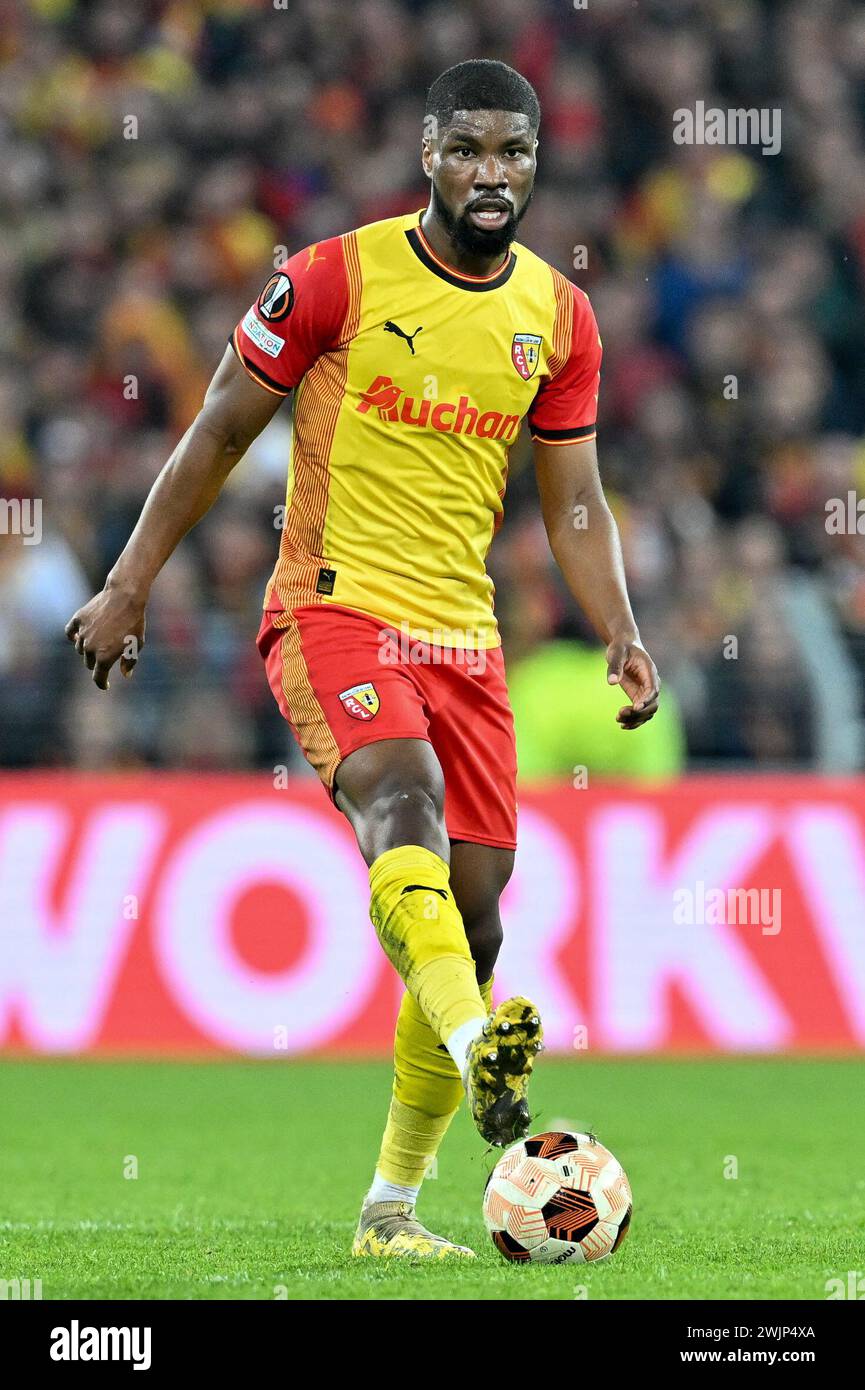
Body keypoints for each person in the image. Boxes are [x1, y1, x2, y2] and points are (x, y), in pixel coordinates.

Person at [65, 59, 660, 1259]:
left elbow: (577, 498)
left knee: (476, 923)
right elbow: (223, 422)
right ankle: (474, 1052)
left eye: (514, 154)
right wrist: (130, 582)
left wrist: (621, 625)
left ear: (536, 165)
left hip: (467, 635)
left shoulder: (560, 314)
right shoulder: (335, 275)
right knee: (401, 799)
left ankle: (390, 1210)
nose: (492, 175)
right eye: (468, 151)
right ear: (427, 155)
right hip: (333, 605)